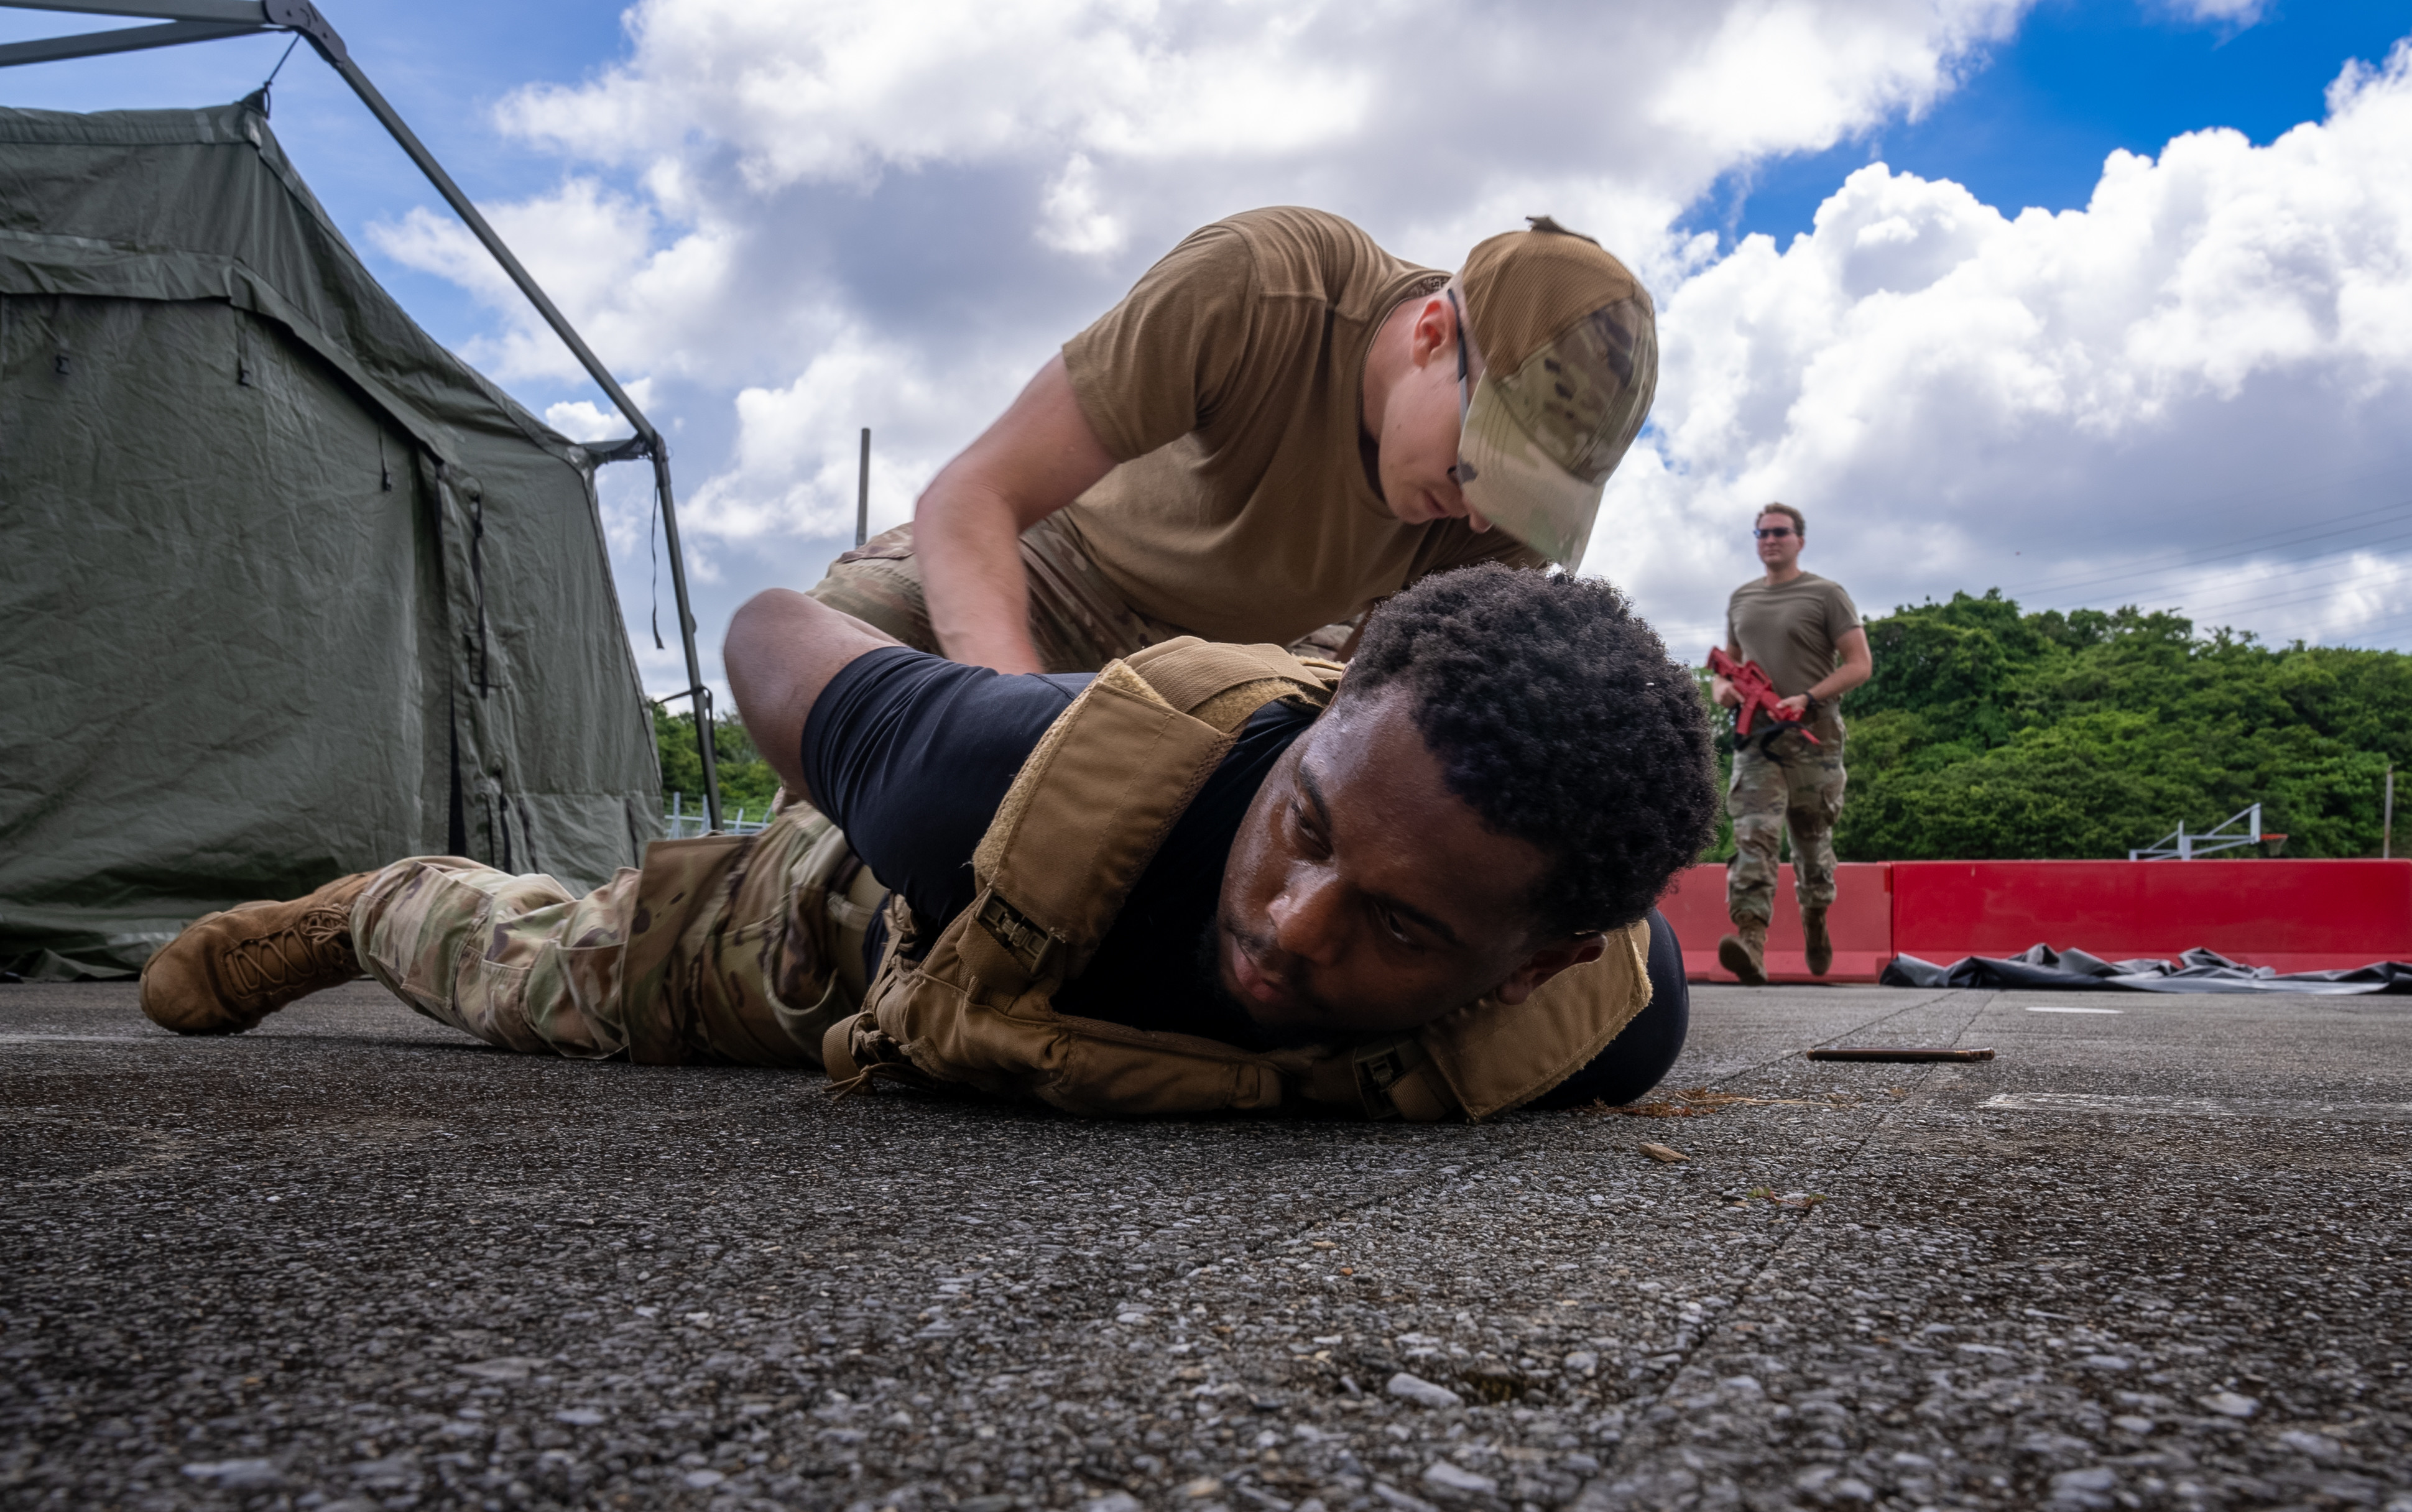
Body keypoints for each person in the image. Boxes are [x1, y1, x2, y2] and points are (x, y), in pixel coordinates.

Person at [139, 567, 1718, 1121]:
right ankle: (371, 903)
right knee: (540, 977)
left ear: (1543, 958)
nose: (1295, 928)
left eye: (1404, 932)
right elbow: (769, 632)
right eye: (1302, 829)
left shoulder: (1607, 1021)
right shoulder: (986, 777)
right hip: (837, 932)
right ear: (1319, 715)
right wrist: (928, 718)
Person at [811, 208, 1658, 672]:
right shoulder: (1264, 284)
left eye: (1526, 496)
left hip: (1247, 667)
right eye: (1489, 465)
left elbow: (1373, 701)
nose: (1483, 516)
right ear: (1433, 333)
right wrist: (1009, 730)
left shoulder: (1494, 520)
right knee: (850, 640)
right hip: (1064, 575)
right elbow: (973, 496)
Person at [1709, 502, 1873, 985]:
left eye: (1779, 532)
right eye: (1760, 533)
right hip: (1757, 738)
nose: (1769, 540)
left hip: (1813, 737)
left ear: (1799, 539)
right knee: (1752, 836)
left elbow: (1859, 664)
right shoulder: (1741, 599)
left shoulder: (1826, 595)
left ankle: (1815, 916)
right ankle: (1751, 940)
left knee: (1812, 843)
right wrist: (1723, 691)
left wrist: (1807, 696)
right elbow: (1727, 667)